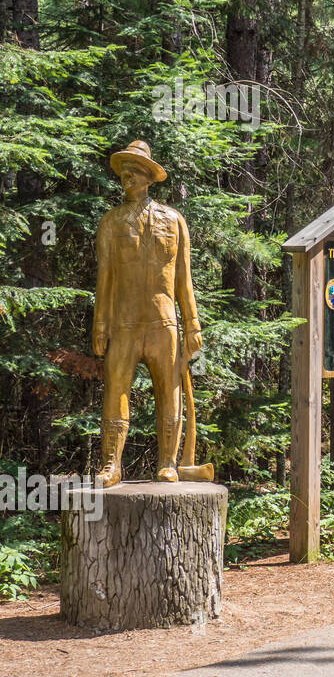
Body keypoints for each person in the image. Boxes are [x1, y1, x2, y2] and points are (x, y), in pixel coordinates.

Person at [92, 141, 202, 486]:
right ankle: (111, 465)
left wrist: (192, 324)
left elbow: (183, 278)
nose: (127, 175)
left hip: (163, 323)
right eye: (124, 170)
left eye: (135, 169)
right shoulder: (110, 223)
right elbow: (104, 278)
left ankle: (167, 463)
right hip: (123, 323)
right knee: (115, 391)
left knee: (169, 391)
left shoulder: (174, 220)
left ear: (149, 177)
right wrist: (100, 324)